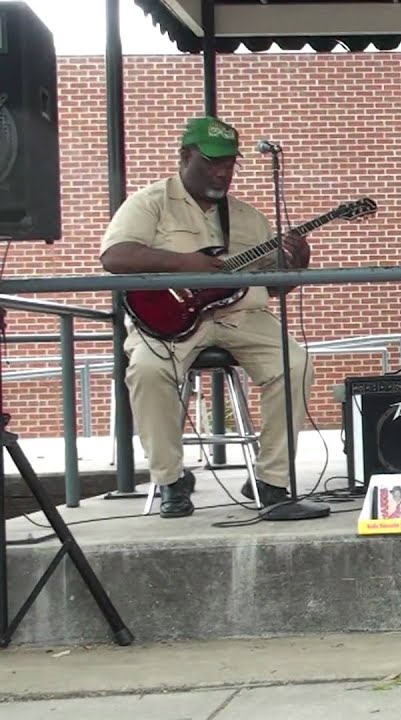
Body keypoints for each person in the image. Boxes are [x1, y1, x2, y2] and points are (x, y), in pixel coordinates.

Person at [100, 116, 315, 517]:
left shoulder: (248, 218)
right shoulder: (151, 203)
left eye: (229, 162)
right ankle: (170, 480)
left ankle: (272, 480)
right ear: (185, 157)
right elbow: (114, 257)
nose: (221, 171)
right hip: (169, 322)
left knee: (295, 363)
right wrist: (182, 263)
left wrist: (297, 262)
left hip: (242, 317)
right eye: (211, 161)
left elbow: (275, 288)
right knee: (146, 370)